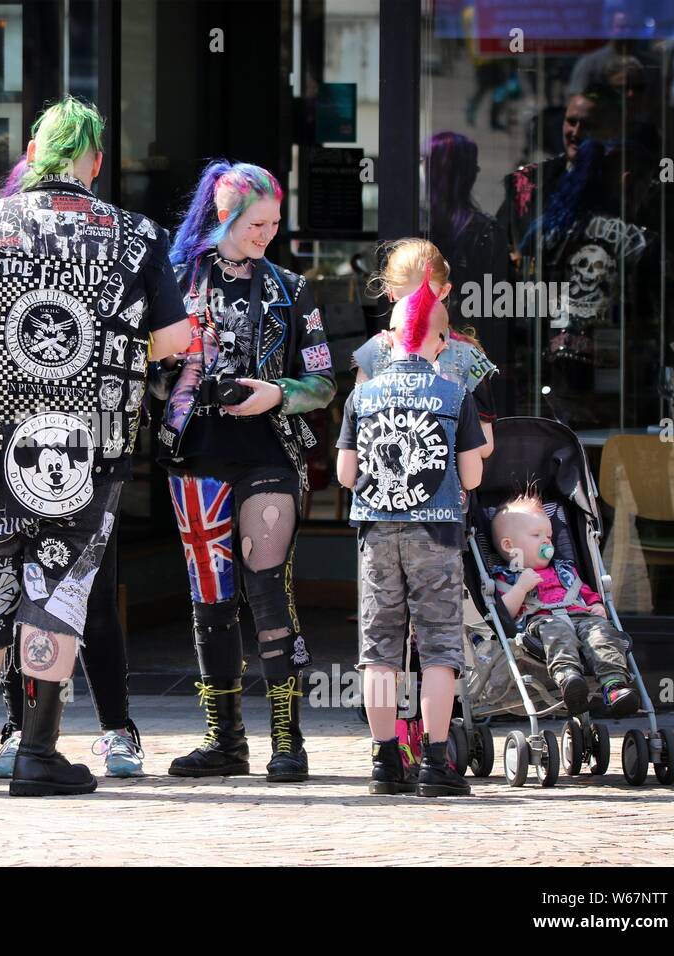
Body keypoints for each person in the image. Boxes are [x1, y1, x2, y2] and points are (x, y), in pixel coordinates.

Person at [0, 96, 191, 797]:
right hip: (85, 452)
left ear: (31, 154)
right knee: (57, 594)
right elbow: (177, 342)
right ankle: (37, 755)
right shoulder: (138, 237)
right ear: (95, 163)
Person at [155, 160, 336, 782]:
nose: (268, 234)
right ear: (225, 217)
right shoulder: (179, 280)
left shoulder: (291, 286)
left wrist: (277, 392)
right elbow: (148, 368)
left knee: (267, 587)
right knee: (211, 598)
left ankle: (289, 740)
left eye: (275, 223)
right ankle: (224, 740)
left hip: (269, 453)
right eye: (258, 223)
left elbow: (323, 383)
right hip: (196, 451)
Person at [0, 156, 146, 779]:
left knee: (94, 599)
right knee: (12, 598)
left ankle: (114, 728)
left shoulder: (100, 250)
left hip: (83, 450)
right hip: (16, 451)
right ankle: (18, 728)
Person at [337, 267, 486, 798]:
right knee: (440, 648)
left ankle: (384, 763)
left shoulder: (363, 395)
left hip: (377, 534)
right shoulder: (454, 394)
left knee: (379, 649)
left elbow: (346, 476)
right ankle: (436, 765)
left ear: (395, 337)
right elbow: (471, 476)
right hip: (438, 533)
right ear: (440, 341)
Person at [490, 493, 639, 717]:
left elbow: (585, 592)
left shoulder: (565, 569)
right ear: (509, 545)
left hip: (582, 618)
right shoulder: (507, 577)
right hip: (542, 622)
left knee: (602, 634)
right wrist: (520, 588)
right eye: (536, 535)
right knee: (557, 632)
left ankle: (614, 685)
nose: (547, 541)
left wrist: (596, 604)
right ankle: (569, 679)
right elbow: (504, 614)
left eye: (549, 536)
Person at [358, 238, 498, 458]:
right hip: (388, 483)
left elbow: (485, 444)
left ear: (444, 292)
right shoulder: (375, 353)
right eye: (408, 301)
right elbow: (358, 432)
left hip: (450, 486)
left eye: (425, 299)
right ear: (390, 293)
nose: (417, 311)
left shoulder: (467, 356)